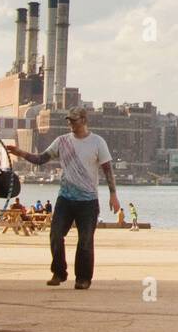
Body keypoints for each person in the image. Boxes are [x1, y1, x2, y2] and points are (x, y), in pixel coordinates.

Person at [7, 108, 120, 290]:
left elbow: (108, 170)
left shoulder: (97, 142)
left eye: (74, 120)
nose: (71, 124)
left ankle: (83, 278)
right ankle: (59, 272)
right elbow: (40, 159)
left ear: (83, 120)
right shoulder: (62, 141)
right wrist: (20, 152)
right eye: (69, 121)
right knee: (56, 235)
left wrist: (113, 195)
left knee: (85, 240)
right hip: (65, 199)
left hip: (88, 201)